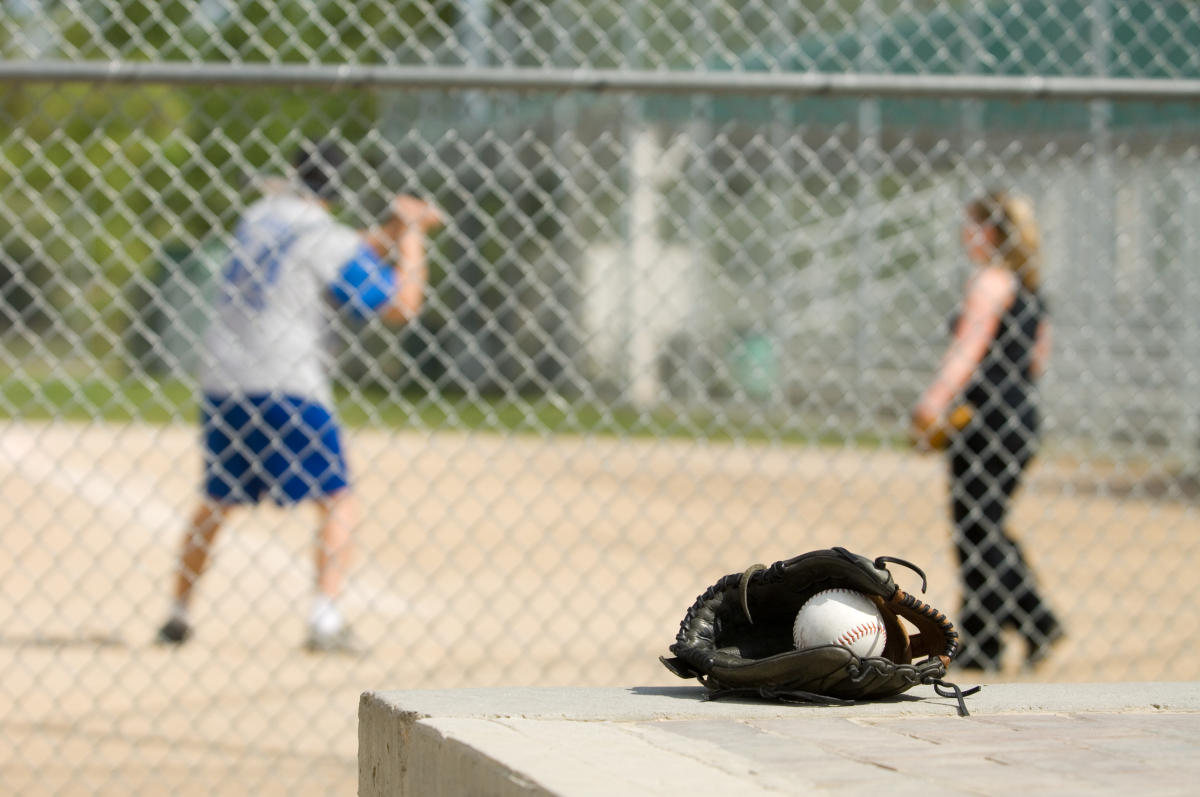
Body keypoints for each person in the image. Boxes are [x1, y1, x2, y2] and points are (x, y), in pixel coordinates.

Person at [156, 140, 444, 653]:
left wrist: (389, 233)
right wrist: (413, 236)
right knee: (338, 499)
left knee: (217, 500)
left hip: (225, 377)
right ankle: (325, 619)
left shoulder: (261, 216)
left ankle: (177, 614)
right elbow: (401, 305)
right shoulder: (327, 238)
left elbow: (331, 248)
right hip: (289, 383)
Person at [911, 189, 1063, 672]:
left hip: (984, 419)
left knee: (975, 528)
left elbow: (967, 350)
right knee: (986, 526)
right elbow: (1037, 359)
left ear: (991, 232)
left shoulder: (988, 282)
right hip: (1020, 416)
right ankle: (995, 636)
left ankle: (1023, 626)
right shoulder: (1029, 286)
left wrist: (931, 406)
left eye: (971, 225)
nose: (964, 234)